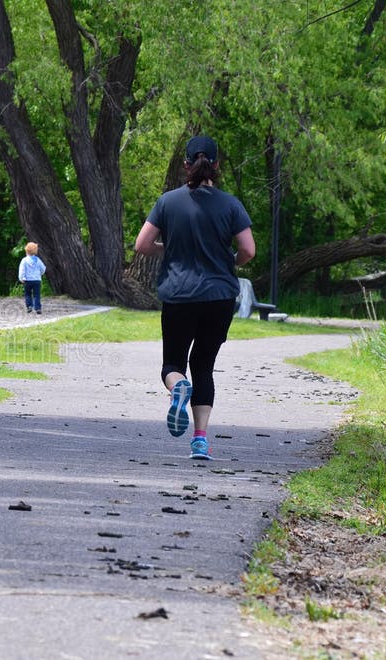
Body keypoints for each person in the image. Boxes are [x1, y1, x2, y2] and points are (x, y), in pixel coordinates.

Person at [134, 135, 256, 460]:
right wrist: (226, 261)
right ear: (216, 166)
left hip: (178, 294)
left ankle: (178, 388)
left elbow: (142, 245)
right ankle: (200, 441)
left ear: (186, 164)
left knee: (173, 364)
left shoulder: (168, 202)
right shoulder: (230, 204)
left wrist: (169, 248)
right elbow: (248, 250)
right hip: (219, 297)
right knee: (204, 365)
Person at [18, 241, 46, 314]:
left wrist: (21, 278)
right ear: (35, 251)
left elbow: (22, 270)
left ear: (26, 250)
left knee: (28, 294)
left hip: (27, 280)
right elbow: (43, 268)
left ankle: (29, 306)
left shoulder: (24, 260)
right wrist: (40, 274)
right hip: (37, 280)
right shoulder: (38, 260)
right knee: (37, 294)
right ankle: (38, 308)